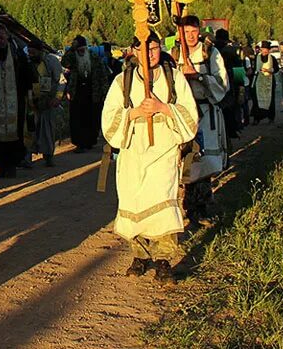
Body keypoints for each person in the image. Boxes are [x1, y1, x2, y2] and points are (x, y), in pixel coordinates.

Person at [102, 33, 198, 283]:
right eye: (143, 49)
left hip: (164, 148)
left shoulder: (174, 77)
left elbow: (190, 114)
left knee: (162, 202)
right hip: (133, 149)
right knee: (134, 203)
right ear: (133, 50)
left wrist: (163, 108)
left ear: (159, 49)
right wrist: (134, 112)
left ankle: (164, 260)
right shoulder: (122, 81)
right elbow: (109, 118)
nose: (150, 54)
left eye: (153, 48)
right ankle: (140, 255)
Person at [171, 16, 228, 226]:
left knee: (203, 161)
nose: (190, 36)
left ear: (199, 31)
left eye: (193, 31)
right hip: (183, 115)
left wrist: (199, 76)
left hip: (204, 112)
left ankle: (201, 207)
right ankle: (183, 206)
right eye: (185, 32)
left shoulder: (210, 53)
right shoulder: (175, 54)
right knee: (183, 160)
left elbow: (222, 84)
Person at [0, 23, 33, 178]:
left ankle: (13, 165)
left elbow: (27, 73)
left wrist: (28, 94)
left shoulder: (17, 52)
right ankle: (1, 166)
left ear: (7, 36)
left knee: (16, 133)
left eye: (1, 36)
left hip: (15, 99)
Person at [61, 35, 109, 153]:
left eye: (82, 50)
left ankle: (90, 141)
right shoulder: (73, 58)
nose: (81, 52)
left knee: (92, 118)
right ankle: (79, 143)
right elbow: (64, 62)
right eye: (78, 51)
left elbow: (103, 75)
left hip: (92, 92)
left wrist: (104, 92)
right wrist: (72, 49)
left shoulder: (94, 57)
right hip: (77, 92)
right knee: (77, 119)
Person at [26, 40, 65, 166]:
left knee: (47, 130)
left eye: (33, 52)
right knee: (30, 130)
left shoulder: (51, 61)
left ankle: (48, 156)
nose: (31, 55)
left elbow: (61, 81)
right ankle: (27, 158)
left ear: (40, 51)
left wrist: (58, 97)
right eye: (29, 52)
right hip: (32, 101)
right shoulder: (28, 63)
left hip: (49, 101)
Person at [214, 29, 244, 138]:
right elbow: (239, 72)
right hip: (230, 86)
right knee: (230, 112)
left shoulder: (212, 51)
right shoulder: (233, 51)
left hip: (216, 86)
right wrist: (241, 89)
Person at [251, 41, 279, 123]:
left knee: (270, 99)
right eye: (263, 49)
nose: (265, 51)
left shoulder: (272, 58)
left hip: (269, 81)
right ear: (261, 50)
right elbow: (253, 68)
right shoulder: (257, 57)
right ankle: (257, 118)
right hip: (258, 81)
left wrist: (269, 70)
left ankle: (271, 117)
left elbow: (276, 69)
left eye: (266, 50)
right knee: (256, 100)